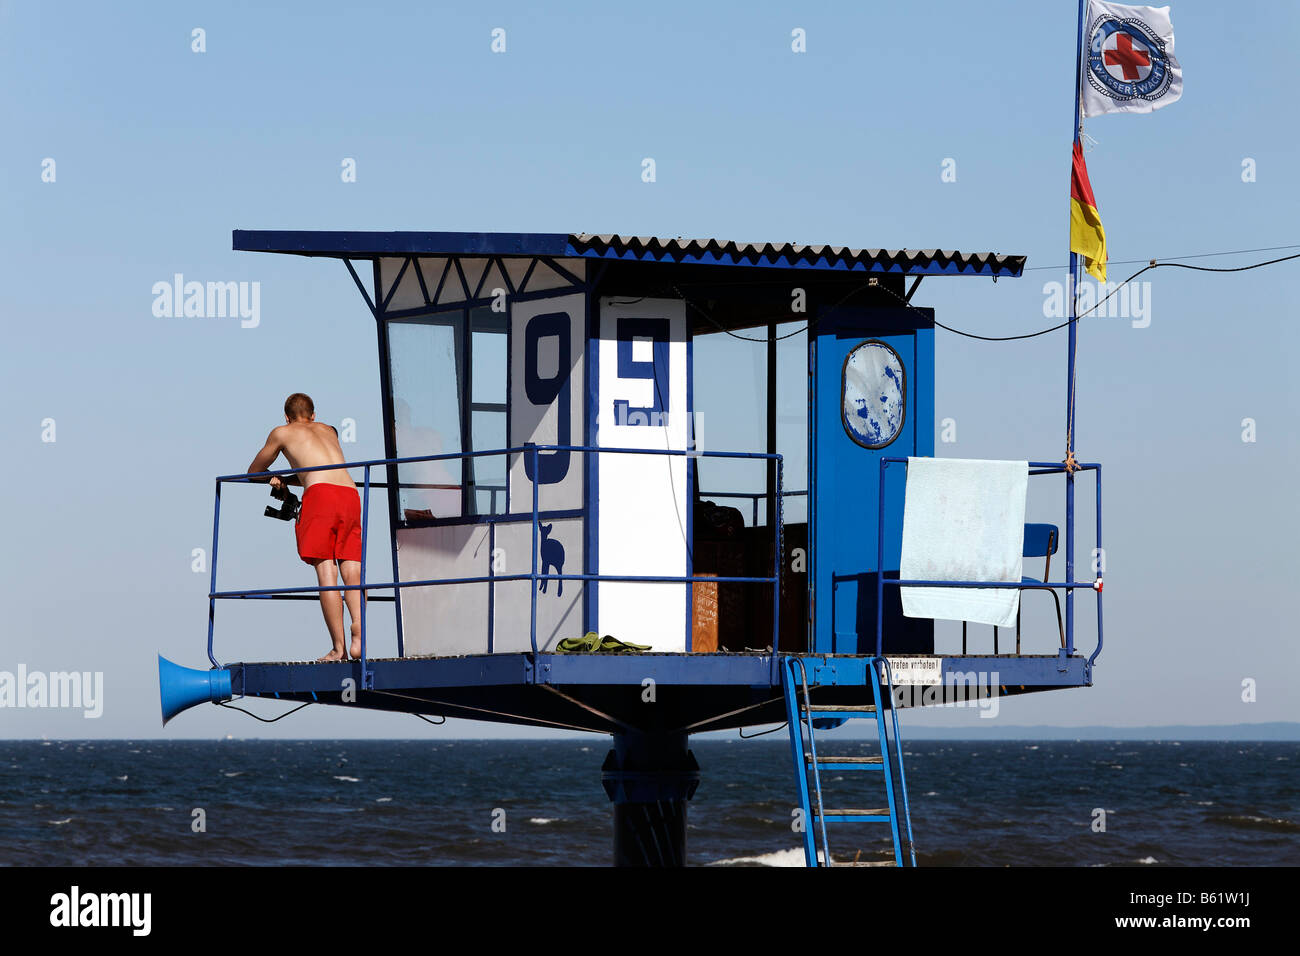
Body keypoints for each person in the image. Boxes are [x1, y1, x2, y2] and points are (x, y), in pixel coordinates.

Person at [246, 393, 364, 662]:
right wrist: (291, 478)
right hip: (349, 492)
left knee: (326, 572)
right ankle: (358, 627)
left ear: (286, 418)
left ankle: (339, 648)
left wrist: (276, 479)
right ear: (313, 415)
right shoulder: (329, 429)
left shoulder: (282, 432)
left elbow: (254, 471)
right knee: (353, 568)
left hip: (320, 496)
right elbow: (319, 469)